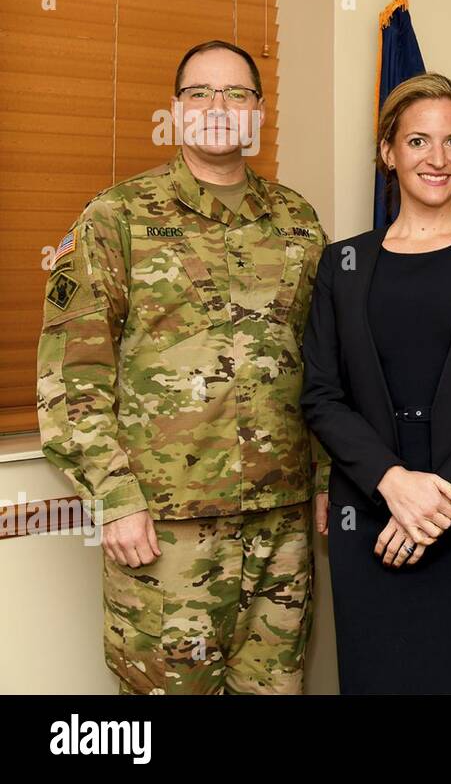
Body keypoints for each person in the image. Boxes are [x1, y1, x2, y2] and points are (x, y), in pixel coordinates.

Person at [37, 39, 329, 694]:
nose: (218, 107)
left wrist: (327, 477)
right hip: (165, 530)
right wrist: (114, 499)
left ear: (259, 112)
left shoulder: (298, 221)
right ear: (175, 111)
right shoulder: (116, 218)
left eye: (236, 93)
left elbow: (325, 362)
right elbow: (72, 374)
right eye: (200, 93)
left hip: (280, 528)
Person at [301, 72, 451, 694]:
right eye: (418, 141)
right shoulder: (342, 263)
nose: (437, 159)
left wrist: (440, 498)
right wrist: (392, 482)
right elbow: (322, 395)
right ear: (388, 152)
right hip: (373, 517)